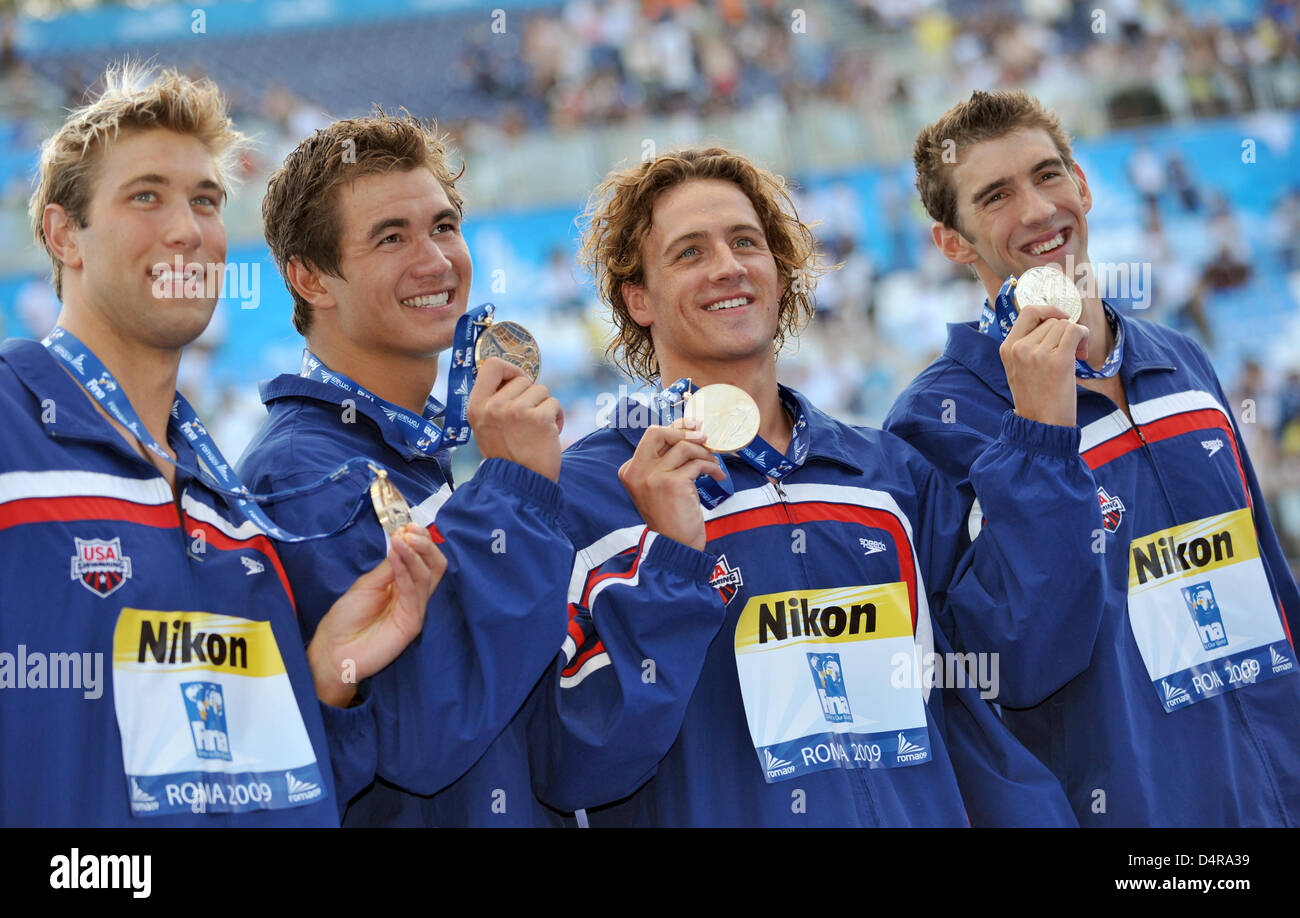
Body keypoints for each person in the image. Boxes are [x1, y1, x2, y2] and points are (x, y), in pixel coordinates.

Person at [562, 146, 1103, 826]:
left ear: (781, 274)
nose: (728, 267)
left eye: (745, 243)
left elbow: (1024, 662)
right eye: (690, 253)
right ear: (637, 297)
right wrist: (668, 565)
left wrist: (1044, 443)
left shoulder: (890, 475)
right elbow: (579, 760)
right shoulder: (589, 498)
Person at [240, 112, 721, 825]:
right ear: (310, 278)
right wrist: (518, 490)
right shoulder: (306, 477)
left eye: (441, 226)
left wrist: (669, 562)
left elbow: (566, 756)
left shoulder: (412, 462)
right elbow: (418, 739)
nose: (434, 260)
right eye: (390, 237)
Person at [2, 66, 444, 826]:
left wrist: (327, 681)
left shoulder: (227, 502)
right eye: (146, 196)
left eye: (205, 201)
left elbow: (266, 789)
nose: (188, 230)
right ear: (62, 233)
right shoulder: (12, 427)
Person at [888, 88, 1300, 825]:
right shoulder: (933, 422)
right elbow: (1011, 665)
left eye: (1048, 176)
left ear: (1082, 183)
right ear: (952, 242)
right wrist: (1039, 435)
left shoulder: (1179, 359)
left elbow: (1269, 582)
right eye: (996, 196)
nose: (1040, 210)